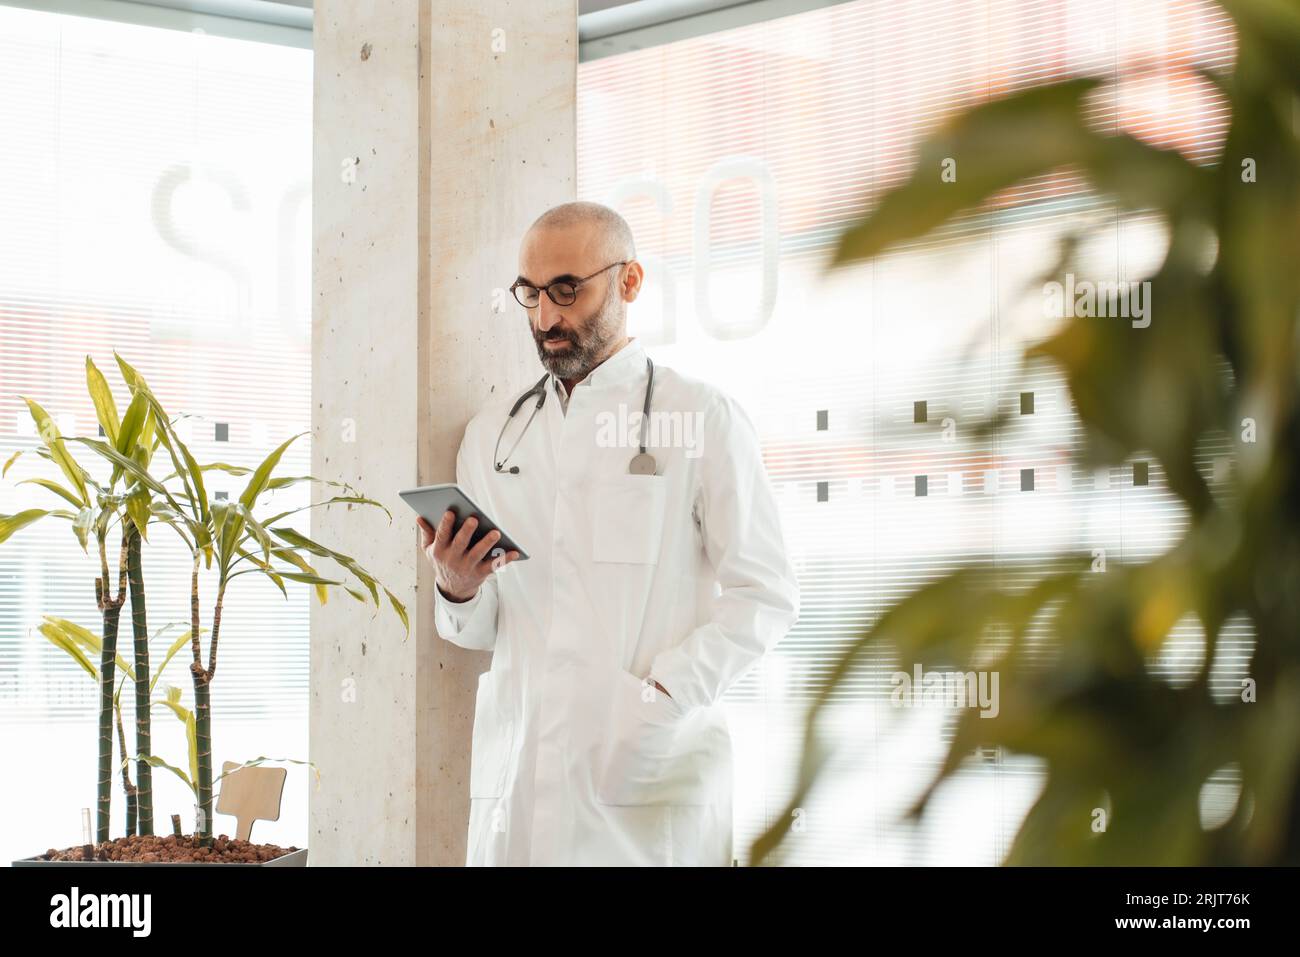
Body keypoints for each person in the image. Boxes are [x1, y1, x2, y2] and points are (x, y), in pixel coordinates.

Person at [416, 200, 799, 866]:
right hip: (521, 774)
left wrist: (658, 698)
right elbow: (482, 630)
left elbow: (766, 596)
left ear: (629, 281)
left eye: (567, 289)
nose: (546, 317)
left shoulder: (702, 417)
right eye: (530, 293)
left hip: (649, 777)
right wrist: (457, 587)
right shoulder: (495, 434)